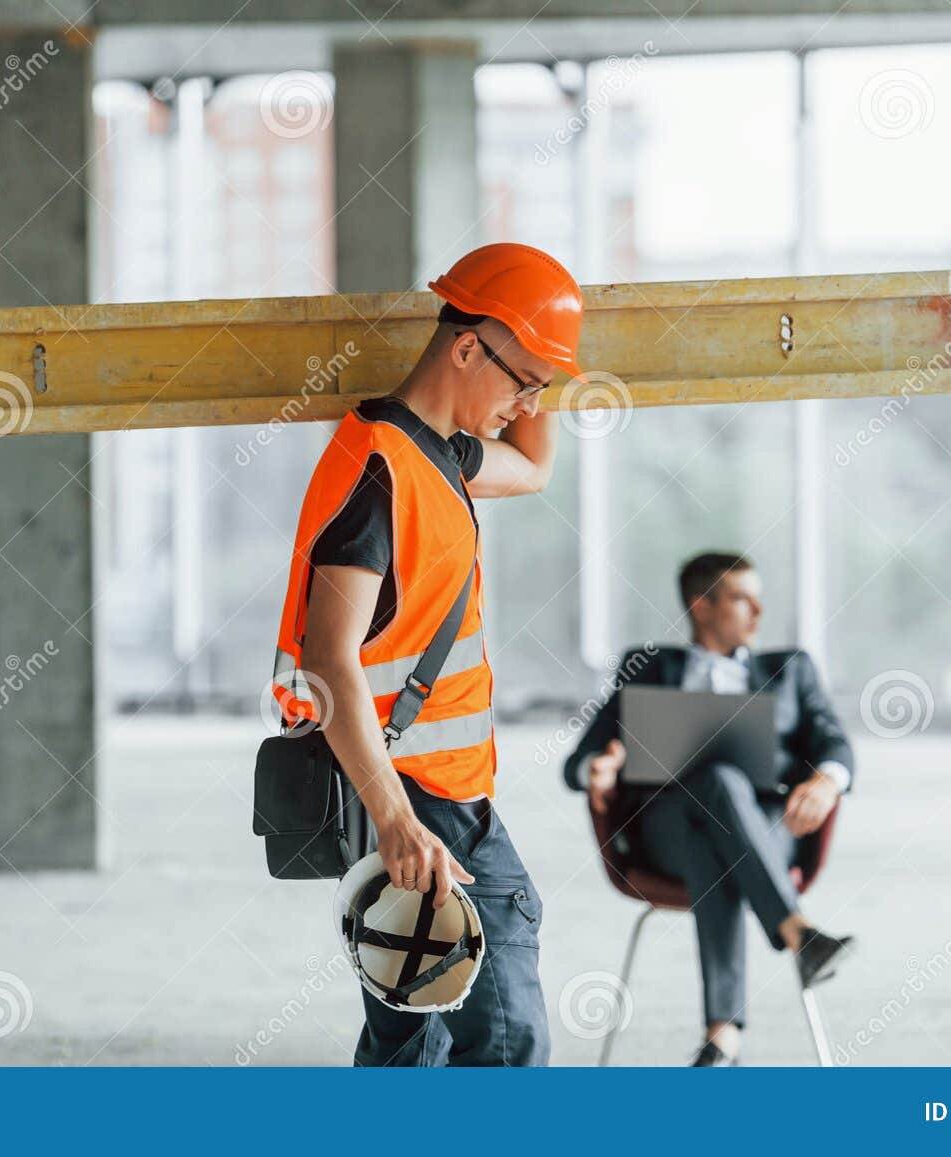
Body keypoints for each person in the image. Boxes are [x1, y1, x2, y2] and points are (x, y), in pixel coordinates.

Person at [270, 243, 584, 1066]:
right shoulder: (379, 467)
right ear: (467, 348)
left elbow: (535, 468)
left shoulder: (439, 453)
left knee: (414, 1028)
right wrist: (397, 819)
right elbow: (327, 657)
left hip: (427, 791)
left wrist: (546, 360)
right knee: (503, 1034)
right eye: (523, 383)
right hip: (416, 795)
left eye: (540, 389)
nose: (528, 405)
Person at [562, 551, 856, 1066]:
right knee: (715, 788)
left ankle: (722, 1040)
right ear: (701, 605)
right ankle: (795, 931)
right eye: (743, 599)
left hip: (768, 827)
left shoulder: (791, 669)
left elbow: (836, 744)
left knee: (714, 835)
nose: (759, 612)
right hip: (664, 832)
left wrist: (828, 781)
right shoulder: (648, 666)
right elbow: (578, 761)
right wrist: (597, 769)